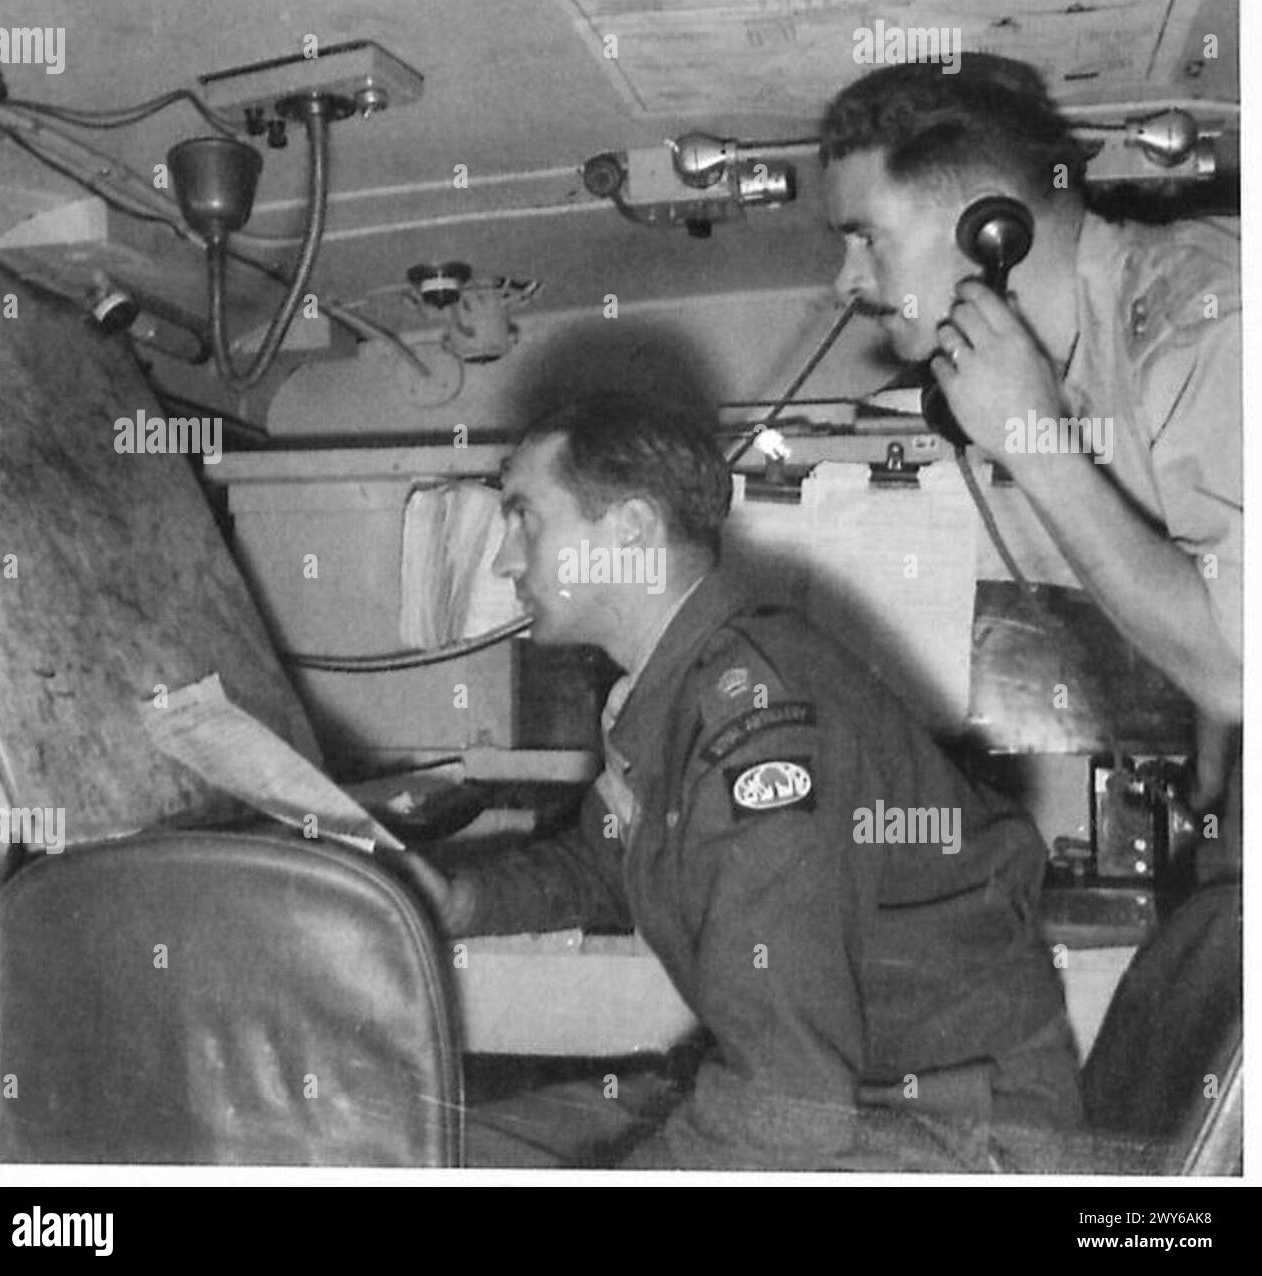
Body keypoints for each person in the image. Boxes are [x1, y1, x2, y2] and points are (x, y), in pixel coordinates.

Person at [417, 393, 1084, 1171]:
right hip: (857, 1102)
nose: (503, 558)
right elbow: (605, 859)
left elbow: (789, 1107)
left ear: (629, 532)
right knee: (439, 1146)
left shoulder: (763, 727)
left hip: (950, 1132)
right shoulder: (668, 692)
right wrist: (456, 902)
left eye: (525, 517)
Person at [818, 54, 1241, 1160]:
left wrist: (1029, 441)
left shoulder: (1204, 309)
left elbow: (1243, 667)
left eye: (866, 236)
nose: (843, 281)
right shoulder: (1086, 362)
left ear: (985, 231)